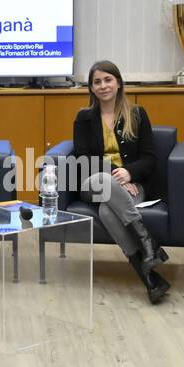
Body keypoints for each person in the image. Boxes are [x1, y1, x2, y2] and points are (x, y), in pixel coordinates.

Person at [72, 60, 169, 303]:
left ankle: (149, 278)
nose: (103, 86)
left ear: (118, 83)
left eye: (108, 80)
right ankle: (148, 242)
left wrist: (130, 173)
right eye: (97, 82)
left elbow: (149, 158)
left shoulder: (136, 114)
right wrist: (119, 174)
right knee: (104, 179)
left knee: (107, 211)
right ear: (91, 88)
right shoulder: (83, 118)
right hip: (93, 182)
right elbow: (83, 159)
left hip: (131, 185)